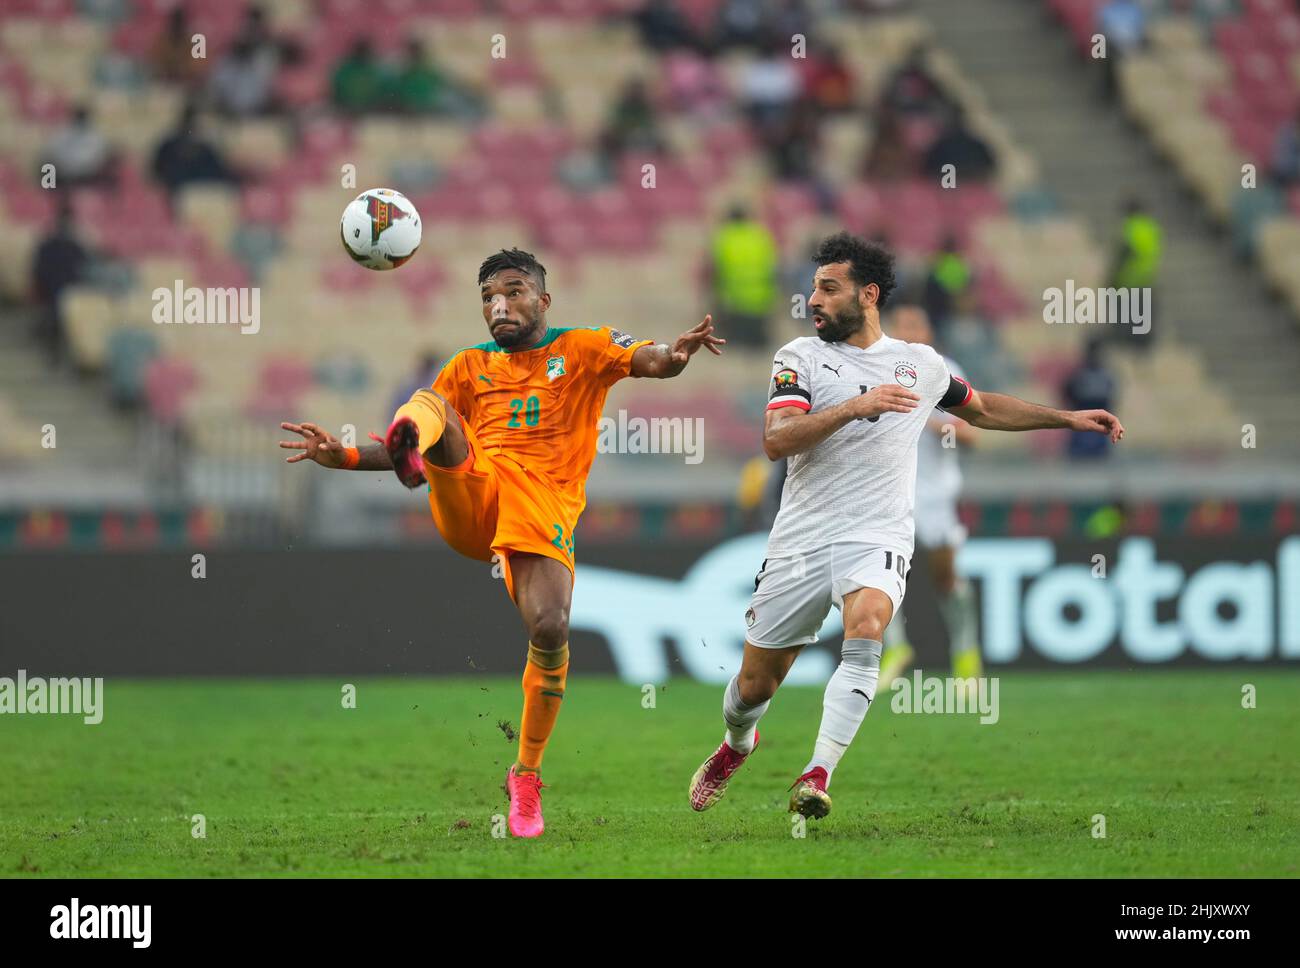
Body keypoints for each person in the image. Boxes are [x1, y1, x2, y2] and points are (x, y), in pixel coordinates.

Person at [279, 248, 724, 837]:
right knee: (435, 405)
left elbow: (651, 359)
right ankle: (412, 434)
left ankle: (526, 776)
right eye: (489, 296)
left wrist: (674, 355)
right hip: (475, 495)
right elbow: (434, 439)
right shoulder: (469, 365)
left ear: (543, 299)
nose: (499, 304)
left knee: (551, 628)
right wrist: (350, 456)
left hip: (542, 511)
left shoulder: (583, 347)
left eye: (513, 292)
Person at [687, 232, 1123, 819]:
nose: (811, 299)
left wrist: (1066, 418)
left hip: (879, 535)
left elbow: (984, 408)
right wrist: (851, 407)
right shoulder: (799, 358)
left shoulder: (919, 363)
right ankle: (738, 744)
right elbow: (775, 440)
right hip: (802, 539)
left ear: (867, 295)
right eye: (812, 287)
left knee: (866, 628)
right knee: (754, 689)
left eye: (827, 288)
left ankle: (816, 775)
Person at [878, 306, 981, 689]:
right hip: (889, 491)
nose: (907, 333)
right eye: (901, 326)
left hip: (936, 494)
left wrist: (929, 418)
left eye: (915, 326)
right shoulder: (878, 369)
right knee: (880, 572)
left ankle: (966, 652)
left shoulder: (946, 372)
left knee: (945, 578)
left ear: (928, 332)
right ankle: (895, 649)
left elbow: (972, 435)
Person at [707, 205, 780, 349]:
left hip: (735, 301)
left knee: (736, 347)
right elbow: (773, 268)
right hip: (761, 300)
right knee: (757, 347)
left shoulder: (724, 237)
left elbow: (716, 271)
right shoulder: (761, 235)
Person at [1063, 337, 1117, 459]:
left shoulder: (1105, 376)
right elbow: (1067, 392)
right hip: (1082, 426)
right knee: (1079, 459)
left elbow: (1110, 400)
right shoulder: (1079, 375)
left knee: (1098, 460)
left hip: (1099, 428)